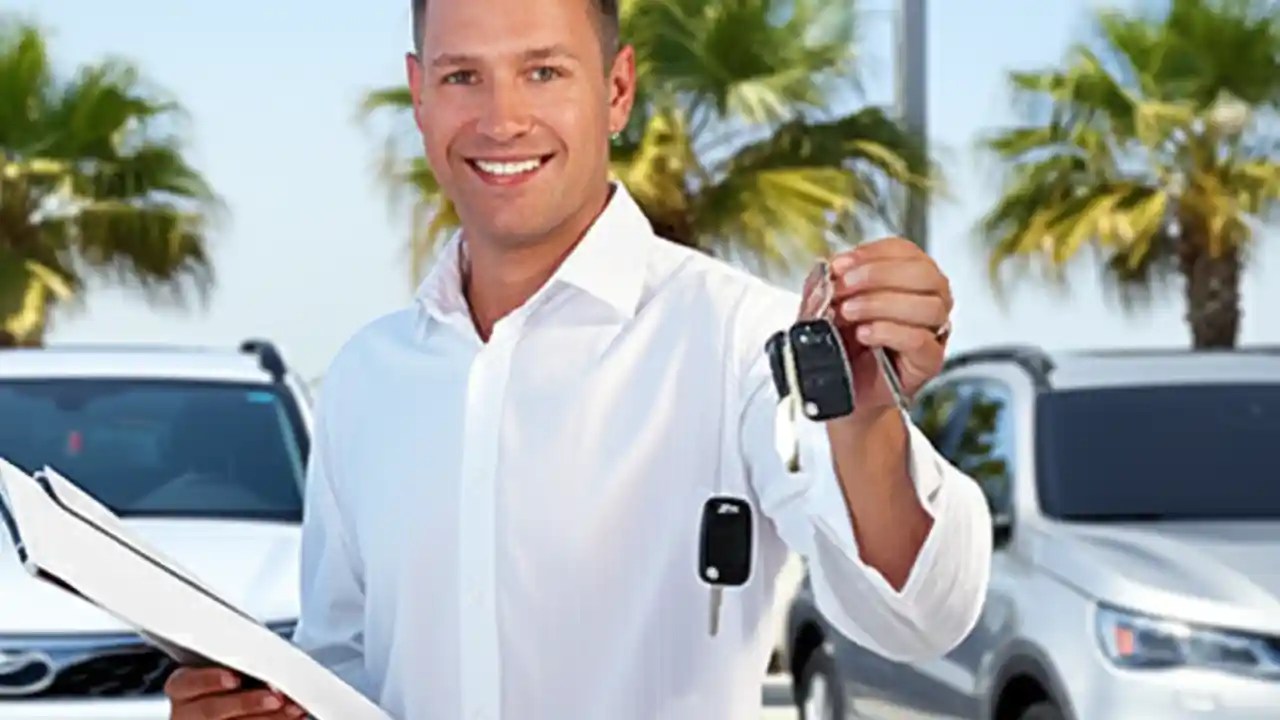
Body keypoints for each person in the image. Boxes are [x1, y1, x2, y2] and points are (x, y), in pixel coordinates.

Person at [164, 0, 992, 717]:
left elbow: (915, 618)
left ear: (618, 90)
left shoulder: (744, 339)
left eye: (544, 72)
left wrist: (868, 420)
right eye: (462, 78)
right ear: (419, 95)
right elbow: (346, 661)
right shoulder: (364, 378)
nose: (501, 119)